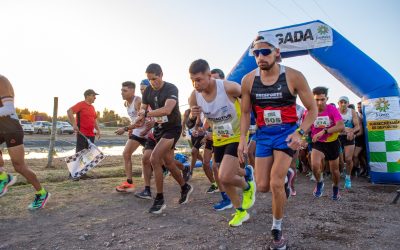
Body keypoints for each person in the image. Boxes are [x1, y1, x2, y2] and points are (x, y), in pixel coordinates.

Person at [238, 34, 317, 249]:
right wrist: (242, 140)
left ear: (277, 53)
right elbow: (245, 113)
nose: (261, 57)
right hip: (263, 134)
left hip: (287, 133)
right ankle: (289, 175)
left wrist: (300, 133)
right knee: (263, 186)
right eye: (256, 53)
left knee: (275, 183)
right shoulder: (248, 80)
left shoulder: (294, 76)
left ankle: (277, 230)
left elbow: (312, 110)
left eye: (265, 52)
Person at [188, 59, 256, 227]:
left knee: (224, 175)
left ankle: (248, 187)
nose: (195, 84)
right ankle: (241, 211)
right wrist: (192, 116)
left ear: (209, 75)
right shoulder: (194, 96)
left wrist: (253, 128)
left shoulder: (228, 87)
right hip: (219, 137)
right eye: (192, 80)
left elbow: (250, 103)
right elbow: (193, 123)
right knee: (223, 177)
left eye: (198, 79)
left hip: (237, 135)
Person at [133, 63, 193, 214]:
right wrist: (141, 114)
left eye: (155, 79)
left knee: (154, 158)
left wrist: (146, 114)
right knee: (169, 163)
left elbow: (167, 109)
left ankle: (159, 199)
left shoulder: (171, 88)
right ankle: (185, 187)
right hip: (159, 128)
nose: (153, 82)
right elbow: (143, 107)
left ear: (161, 75)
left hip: (173, 128)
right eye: (150, 79)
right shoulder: (147, 91)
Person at [0, 75, 50, 210]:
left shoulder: (1, 81)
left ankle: (41, 193)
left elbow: (8, 109)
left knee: (19, 166)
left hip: (11, 127)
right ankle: (3, 176)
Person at [308, 86, 344, 201]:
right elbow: (307, 127)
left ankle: (335, 187)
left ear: (327, 98)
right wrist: (302, 138)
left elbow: (340, 126)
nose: (319, 102)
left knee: (335, 171)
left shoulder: (332, 109)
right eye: (316, 100)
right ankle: (319, 182)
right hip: (318, 143)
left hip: (332, 142)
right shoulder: (309, 111)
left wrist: (324, 131)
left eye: (322, 99)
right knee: (314, 165)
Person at [114, 81, 150, 192]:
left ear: (132, 91)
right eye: (121, 90)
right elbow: (134, 119)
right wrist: (131, 129)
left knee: (165, 161)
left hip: (148, 132)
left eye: (125, 91)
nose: (122, 93)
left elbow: (141, 122)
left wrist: (125, 129)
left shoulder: (138, 101)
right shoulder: (126, 103)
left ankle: (184, 168)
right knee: (126, 153)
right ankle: (129, 183)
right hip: (137, 133)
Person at [337, 96, 359, 188]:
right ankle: (339, 173)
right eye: (341, 102)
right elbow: (331, 125)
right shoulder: (335, 111)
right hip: (337, 137)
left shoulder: (352, 112)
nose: (343, 104)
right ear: (338, 103)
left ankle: (348, 178)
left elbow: (357, 126)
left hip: (348, 137)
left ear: (348, 103)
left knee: (348, 159)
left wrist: (352, 132)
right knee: (339, 160)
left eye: (345, 102)